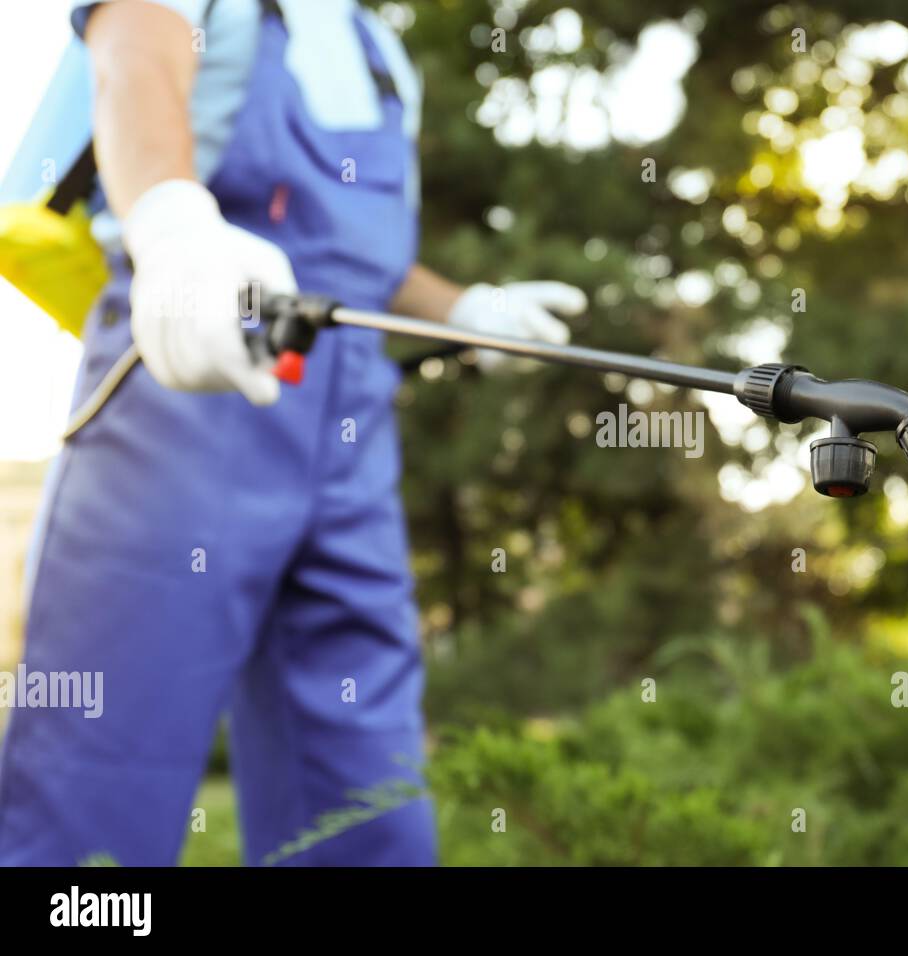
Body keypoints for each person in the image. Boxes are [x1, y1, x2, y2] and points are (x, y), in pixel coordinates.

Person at [0, 0, 585, 866]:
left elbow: (364, 253)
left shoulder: (381, 52)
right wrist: (173, 225)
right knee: (104, 747)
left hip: (349, 417)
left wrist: (463, 310)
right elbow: (135, 64)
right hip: (187, 381)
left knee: (360, 766)